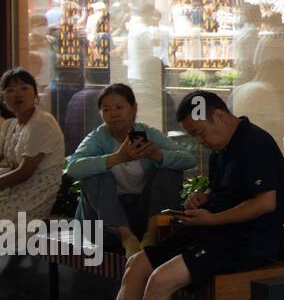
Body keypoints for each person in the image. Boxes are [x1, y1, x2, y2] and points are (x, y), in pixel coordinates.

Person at [56, 90, 284, 300]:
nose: (200, 141)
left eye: (199, 133)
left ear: (218, 116)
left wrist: (214, 217)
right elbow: (224, 192)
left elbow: (265, 203)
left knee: (160, 280)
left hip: (244, 241)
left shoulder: (256, 143)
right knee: (138, 263)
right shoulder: (222, 149)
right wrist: (203, 198)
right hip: (212, 229)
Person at [65, 83, 194, 257]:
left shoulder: (147, 134)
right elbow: (73, 168)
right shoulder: (97, 137)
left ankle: (151, 235)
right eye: (106, 109)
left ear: (134, 109)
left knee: (169, 169)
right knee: (94, 174)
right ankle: (127, 238)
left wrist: (156, 154)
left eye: (119, 107)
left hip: (142, 218)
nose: (114, 114)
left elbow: (189, 159)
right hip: (104, 226)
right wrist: (118, 157)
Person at [0, 68, 66, 225]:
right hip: (13, 188)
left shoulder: (41, 123)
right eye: (10, 90)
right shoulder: (10, 125)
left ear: (35, 94)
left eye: (24, 88)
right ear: (3, 97)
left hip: (33, 193)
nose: (18, 94)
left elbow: (24, 173)